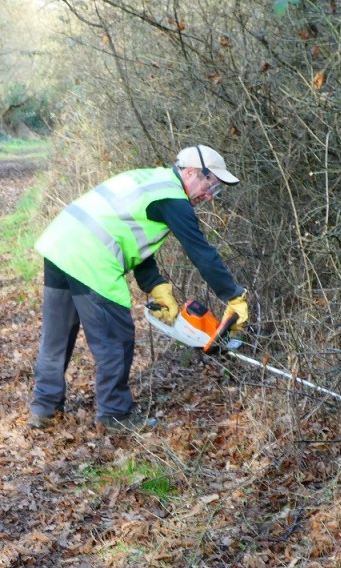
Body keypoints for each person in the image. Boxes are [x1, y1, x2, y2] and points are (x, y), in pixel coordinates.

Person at [28, 144, 250, 431]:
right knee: (116, 339)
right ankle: (114, 414)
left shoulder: (151, 180)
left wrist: (155, 284)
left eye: (215, 190)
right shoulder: (174, 199)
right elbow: (202, 253)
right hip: (91, 256)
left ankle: (44, 408)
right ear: (191, 173)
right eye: (210, 185)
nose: (208, 196)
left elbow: (130, 233)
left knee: (56, 338)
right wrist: (233, 295)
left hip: (60, 243)